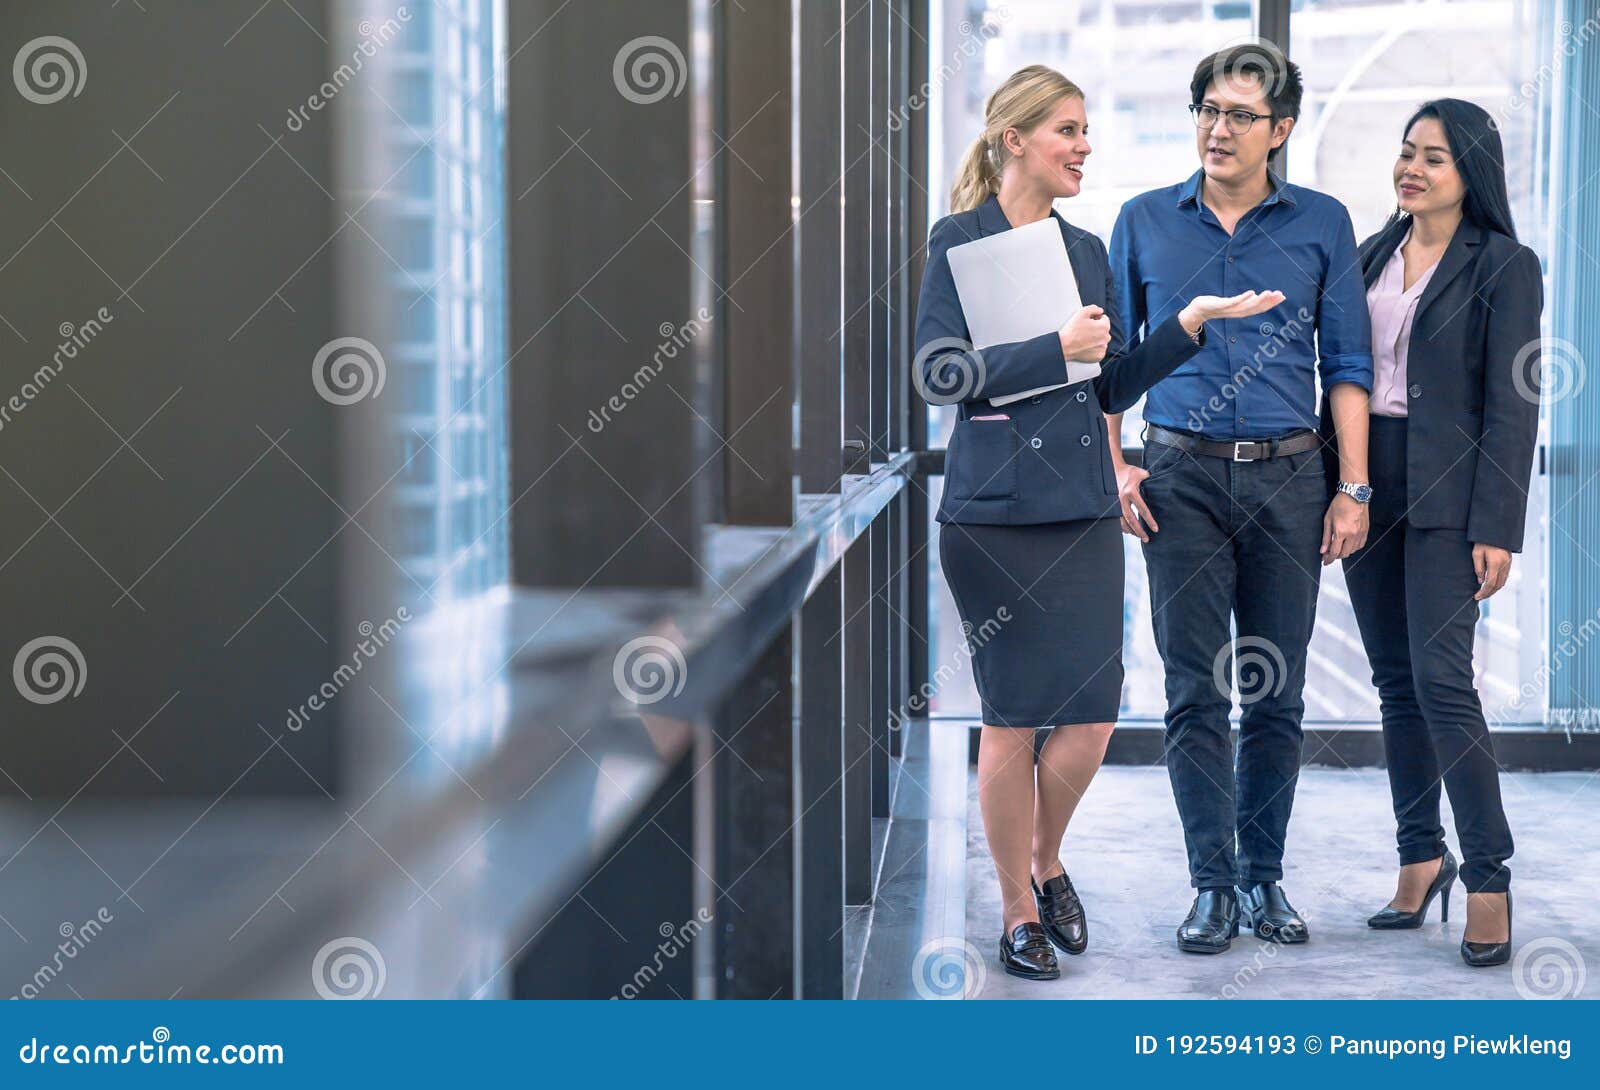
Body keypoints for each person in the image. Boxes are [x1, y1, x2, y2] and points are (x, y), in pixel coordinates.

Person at [913, 63, 1283, 980]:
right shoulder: (958, 238)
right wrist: (1052, 348)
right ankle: (1017, 911)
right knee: (1012, 719)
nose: (1086, 146)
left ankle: (1045, 861)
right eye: (1068, 131)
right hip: (995, 518)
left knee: (1092, 715)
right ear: (1015, 139)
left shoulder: (1083, 251)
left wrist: (1185, 326)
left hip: (1081, 507)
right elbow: (937, 374)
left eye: (1085, 131)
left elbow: (1108, 384)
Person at [1105, 43, 1374, 954]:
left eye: (1241, 115)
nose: (1218, 129)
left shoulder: (1323, 222)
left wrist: (1353, 488)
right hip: (1177, 476)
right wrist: (1118, 466)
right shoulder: (1144, 220)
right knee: (1193, 692)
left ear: (1280, 129)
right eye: (1208, 110)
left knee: (1275, 692)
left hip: (1291, 480)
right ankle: (1212, 886)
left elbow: (1348, 365)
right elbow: (1112, 365)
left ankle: (1264, 876)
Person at [1327, 99, 1540, 967]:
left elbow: (1514, 404)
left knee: (1443, 682)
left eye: (1435, 158)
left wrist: (1498, 525)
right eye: (1407, 151)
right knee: (1394, 683)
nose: (1411, 169)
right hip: (1366, 482)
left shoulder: (1505, 265)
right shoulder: (1371, 253)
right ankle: (1421, 856)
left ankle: (1488, 875)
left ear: (1471, 171)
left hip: (1451, 494)